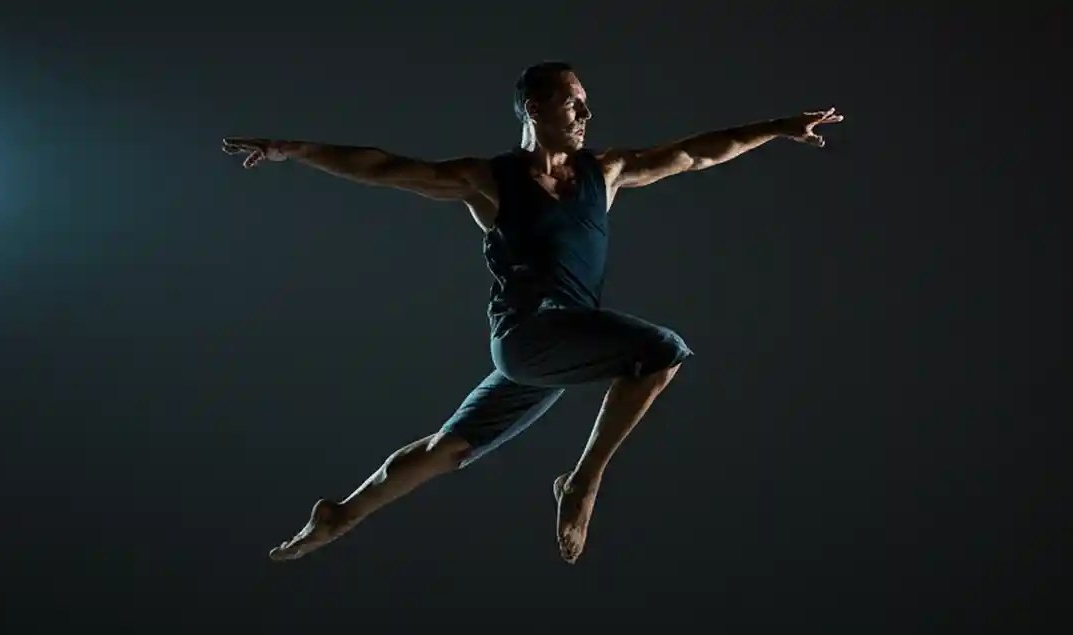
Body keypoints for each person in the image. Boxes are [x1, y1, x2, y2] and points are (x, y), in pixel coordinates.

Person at [222, 61, 842, 564]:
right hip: (525, 338)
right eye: (574, 104)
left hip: (556, 349)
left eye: (587, 105)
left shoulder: (605, 172)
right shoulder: (491, 180)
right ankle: (583, 481)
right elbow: (385, 168)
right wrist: (294, 149)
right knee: (661, 350)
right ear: (534, 108)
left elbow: (695, 154)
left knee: (448, 447)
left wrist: (777, 127)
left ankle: (340, 514)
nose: (586, 116)